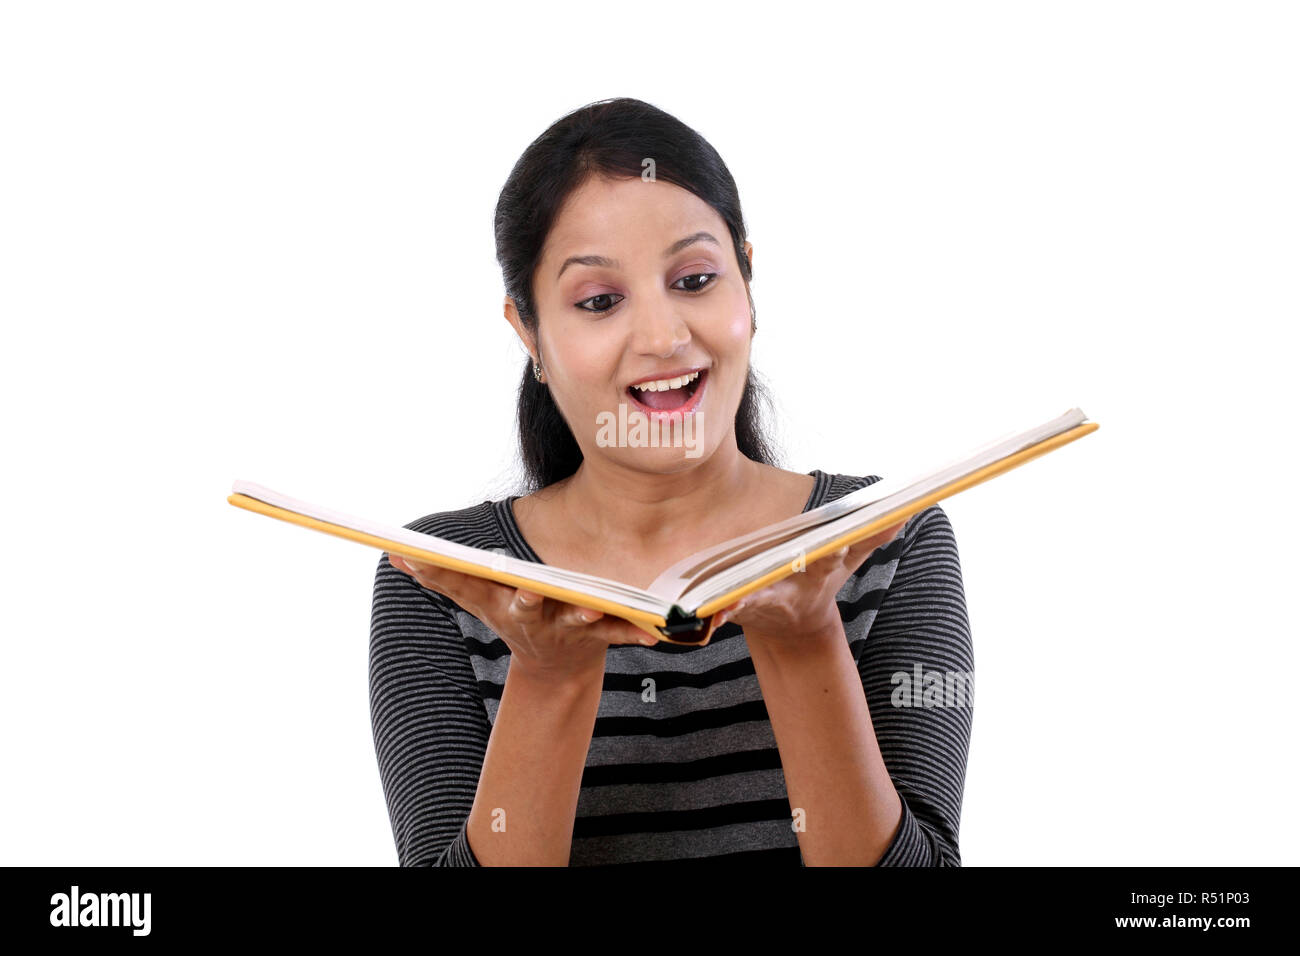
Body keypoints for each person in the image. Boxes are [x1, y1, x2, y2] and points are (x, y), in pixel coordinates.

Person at [369, 97, 973, 866]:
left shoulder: (885, 538)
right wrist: (550, 679)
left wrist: (807, 642)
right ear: (529, 331)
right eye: (599, 301)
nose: (662, 337)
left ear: (747, 286)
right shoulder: (443, 575)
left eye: (694, 280)